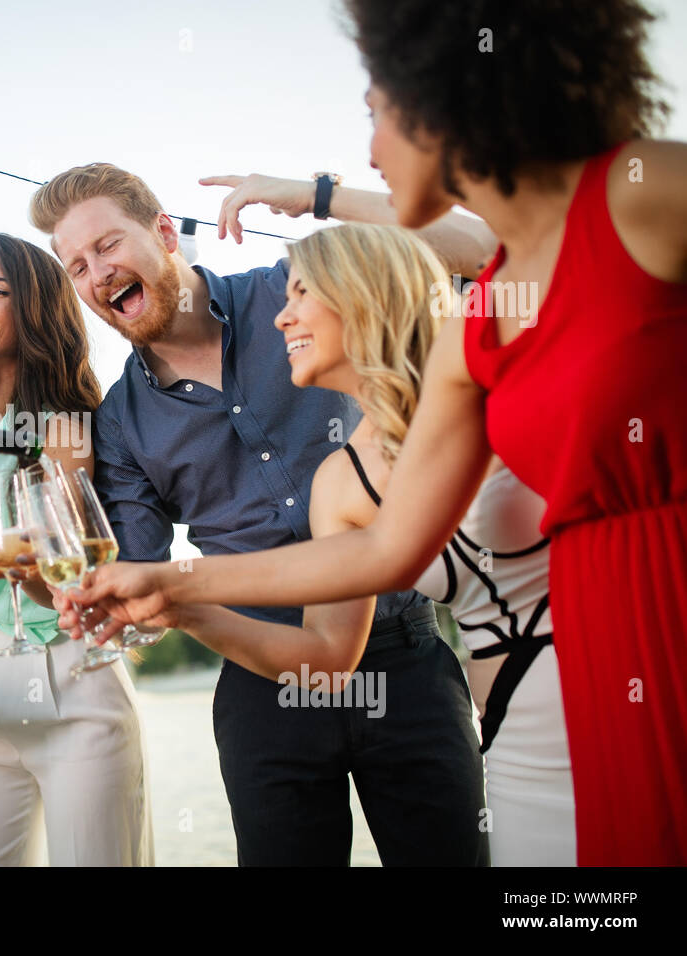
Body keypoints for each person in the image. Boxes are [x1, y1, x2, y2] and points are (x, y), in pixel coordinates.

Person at [71, 0, 687, 866]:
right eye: (76, 265)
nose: (367, 148)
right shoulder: (467, 361)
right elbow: (383, 549)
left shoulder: (635, 200)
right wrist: (167, 590)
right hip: (517, 705)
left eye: (376, 114)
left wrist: (313, 194)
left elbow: (462, 244)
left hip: (552, 658)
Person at [29, 163, 497, 866]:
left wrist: (320, 197)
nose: (96, 274)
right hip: (264, 687)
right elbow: (135, 583)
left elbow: (476, 252)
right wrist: (56, 564)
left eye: (107, 246)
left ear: (164, 234)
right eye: (76, 267)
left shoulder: (295, 294)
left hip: (408, 663)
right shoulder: (120, 424)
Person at [132, 222, 572, 865]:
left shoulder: (487, 371)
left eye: (301, 292)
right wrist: (178, 602)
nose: (279, 318)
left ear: (364, 291)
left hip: (600, 686)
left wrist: (315, 197)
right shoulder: (341, 479)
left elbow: (512, 246)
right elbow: (333, 640)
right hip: (508, 736)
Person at [0, 233, 152, 866]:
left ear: (36, 313)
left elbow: (70, 570)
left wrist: (35, 571)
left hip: (70, 688)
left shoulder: (65, 428)